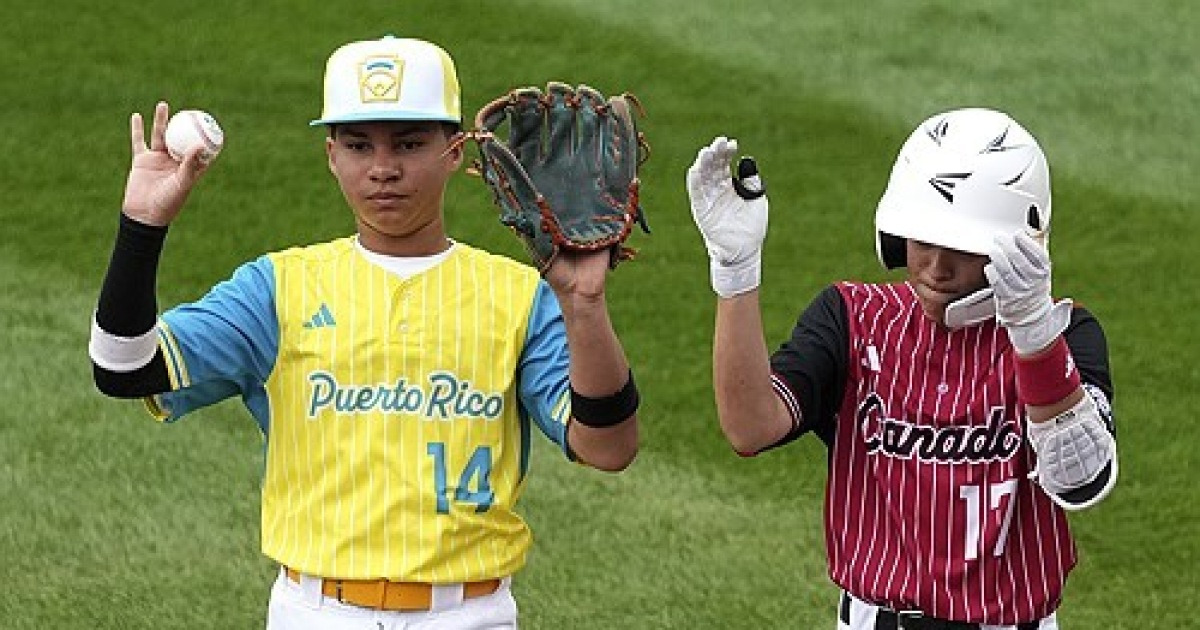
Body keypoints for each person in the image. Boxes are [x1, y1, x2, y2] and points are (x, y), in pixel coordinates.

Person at [89, 35, 640, 629]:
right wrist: (141, 226)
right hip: (316, 613)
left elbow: (609, 448)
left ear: (455, 150)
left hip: (470, 615)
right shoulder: (276, 289)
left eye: (408, 143)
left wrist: (583, 304)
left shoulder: (520, 295)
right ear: (331, 154)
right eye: (359, 144)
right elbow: (123, 370)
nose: (383, 168)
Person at [686, 108, 1118, 629]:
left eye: (963, 246)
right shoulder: (852, 317)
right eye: (922, 239)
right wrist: (736, 272)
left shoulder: (1064, 335)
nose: (937, 266)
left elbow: (1079, 480)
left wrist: (1032, 332)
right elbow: (749, 425)